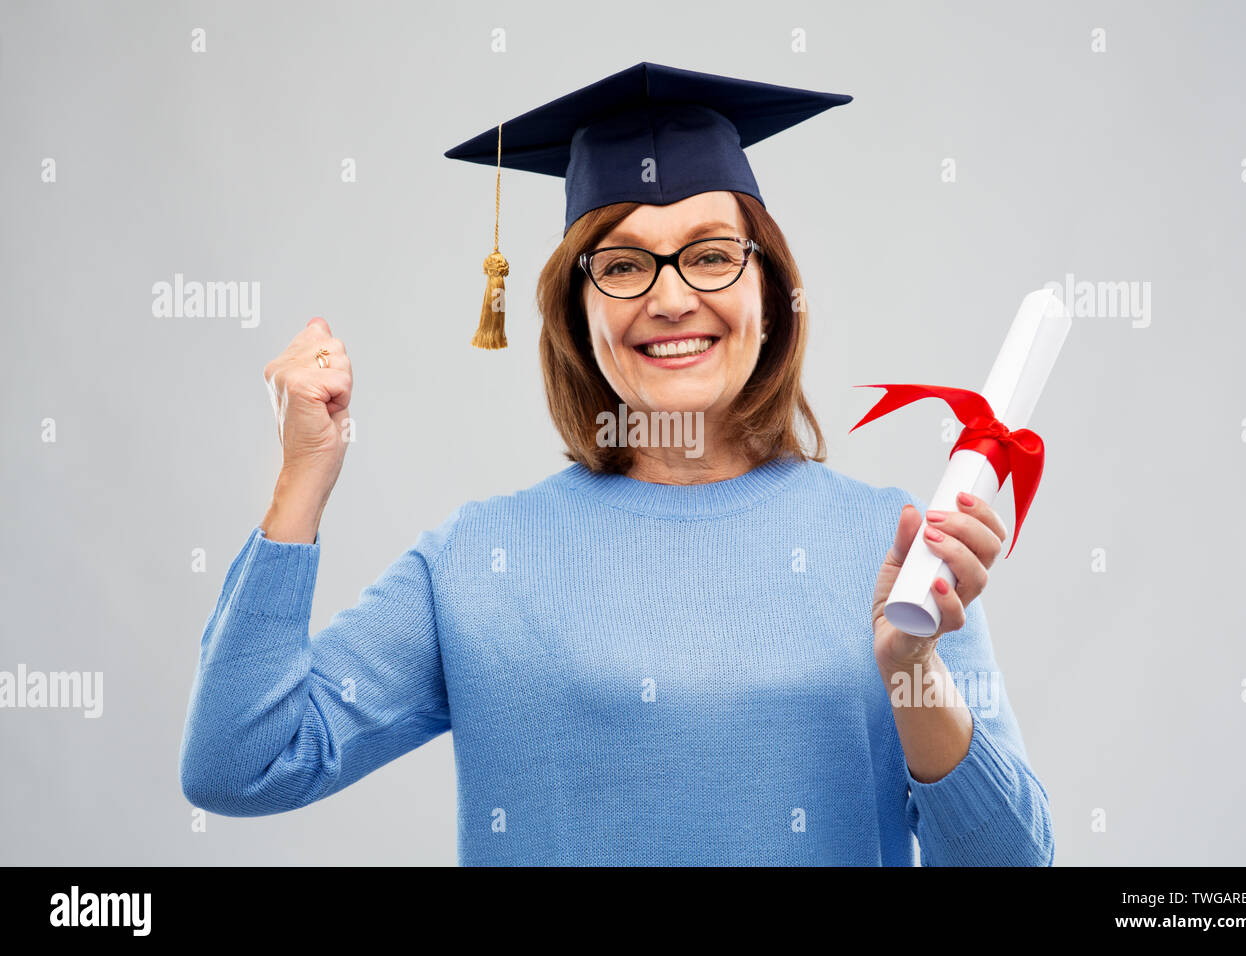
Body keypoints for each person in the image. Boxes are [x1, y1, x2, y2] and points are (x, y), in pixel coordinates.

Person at [178, 62, 1054, 866]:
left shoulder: (900, 550)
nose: (673, 298)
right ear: (576, 309)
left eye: (712, 254)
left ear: (769, 292)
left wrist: (910, 672)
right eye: (625, 264)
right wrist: (303, 476)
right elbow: (240, 765)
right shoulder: (481, 560)